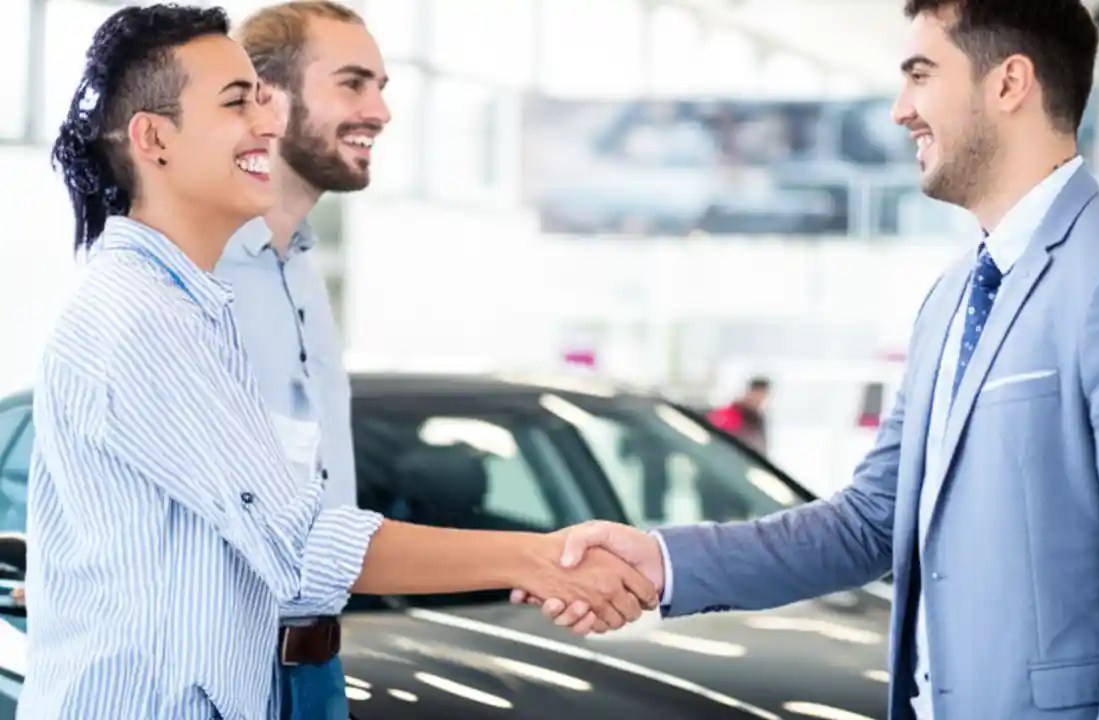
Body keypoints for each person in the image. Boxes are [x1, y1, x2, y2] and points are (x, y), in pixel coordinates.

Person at [520, 1, 1099, 718]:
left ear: (1010, 82)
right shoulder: (954, 293)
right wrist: (662, 561)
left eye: (921, 75)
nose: (901, 110)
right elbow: (869, 520)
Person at [24, 6, 654, 719]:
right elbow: (302, 542)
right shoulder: (142, 317)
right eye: (239, 101)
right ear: (153, 138)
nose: (267, 122)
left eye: (263, 98)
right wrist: (536, 558)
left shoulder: (192, 303)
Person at [213, 3, 388, 716]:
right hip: (218, 666)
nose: (379, 110)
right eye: (352, 84)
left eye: (381, 84)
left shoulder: (304, 269)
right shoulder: (196, 274)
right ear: (266, 99)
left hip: (316, 669)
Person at [707, 376, 770, 454]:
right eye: (757, 393)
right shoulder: (730, 414)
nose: (759, 399)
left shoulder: (759, 421)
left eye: (762, 395)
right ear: (749, 392)